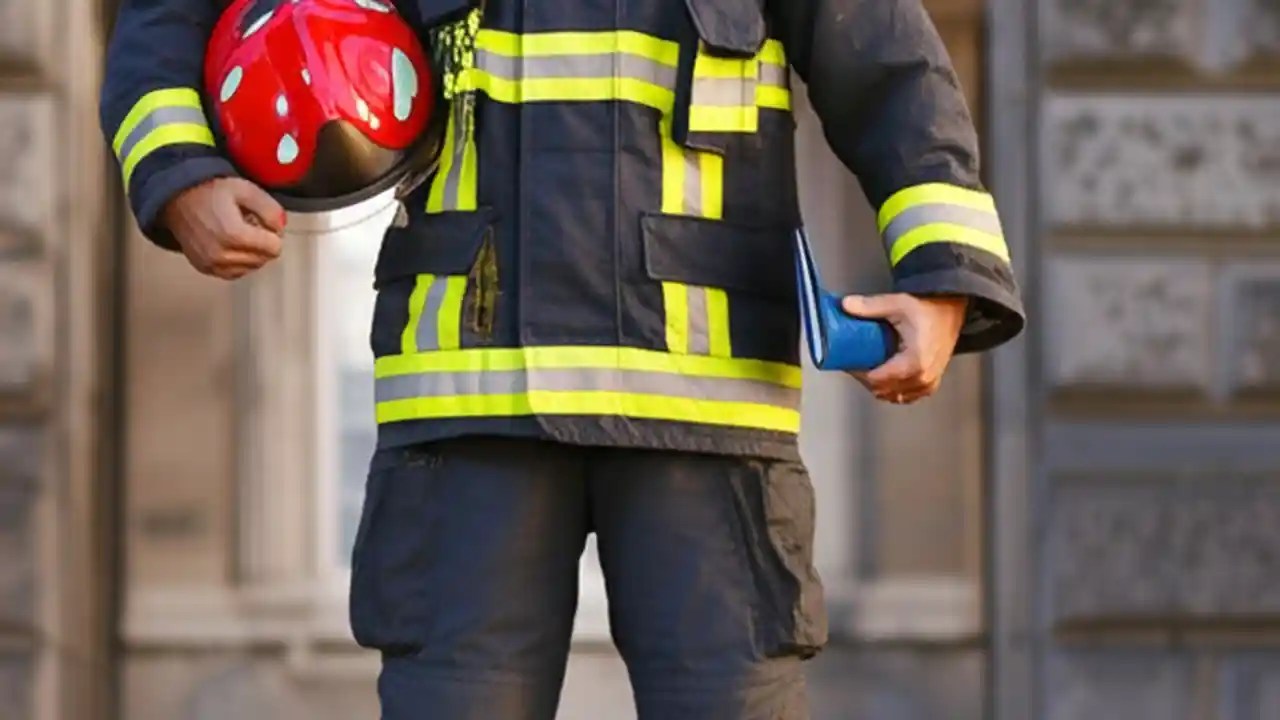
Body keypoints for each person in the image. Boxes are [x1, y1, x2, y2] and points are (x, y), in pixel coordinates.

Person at [100, 0, 1025, 717]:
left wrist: (946, 277)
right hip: (470, 415)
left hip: (706, 426)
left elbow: (896, 70)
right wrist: (180, 168)